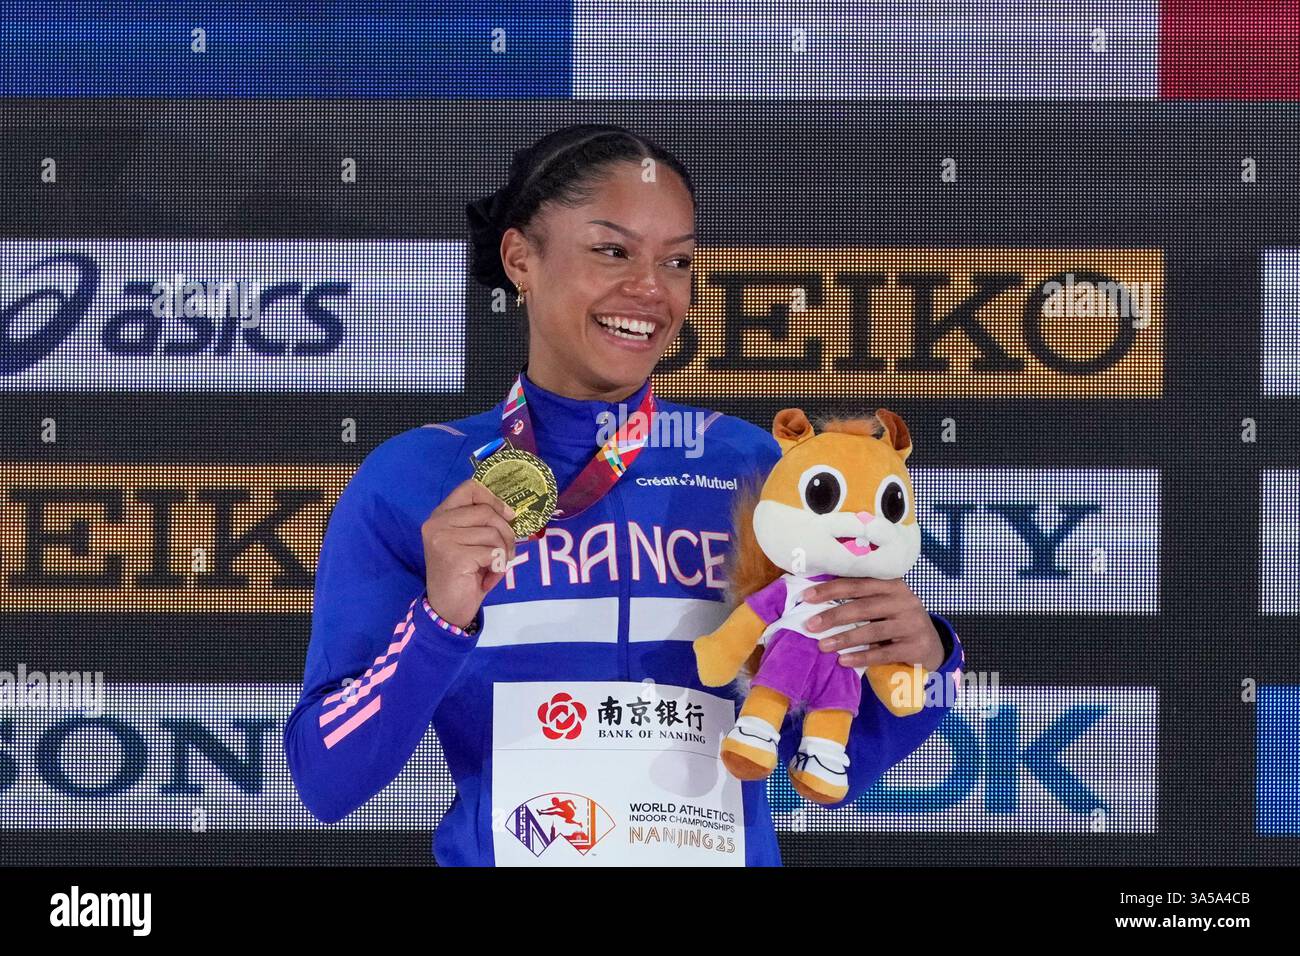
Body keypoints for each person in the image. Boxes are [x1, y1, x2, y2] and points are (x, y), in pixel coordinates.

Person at [284, 123, 965, 866]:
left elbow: (826, 757)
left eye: (676, 261)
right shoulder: (418, 477)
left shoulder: (754, 469)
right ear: (521, 259)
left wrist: (926, 662)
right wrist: (440, 622)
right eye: (612, 251)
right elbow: (328, 780)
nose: (650, 289)